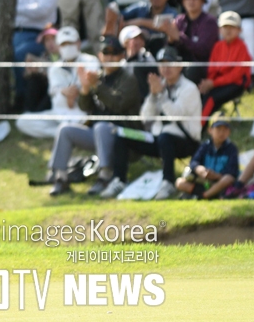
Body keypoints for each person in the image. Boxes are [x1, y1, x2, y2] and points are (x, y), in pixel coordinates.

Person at [48, 35, 142, 196]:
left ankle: (105, 175)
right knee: (65, 130)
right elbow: (85, 107)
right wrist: (85, 89)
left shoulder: (128, 78)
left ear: (122, 56)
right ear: (100, 56)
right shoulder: (97, 77)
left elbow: (118, 104)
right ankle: (60, 177)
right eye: (106, 52)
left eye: (115, 53)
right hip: (100, 136)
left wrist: (96, 86)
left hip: (127, 136)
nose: (110, 57)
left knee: (101, 127)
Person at [105, 46, 202, 200]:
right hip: (157, 139)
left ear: (180, 66)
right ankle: (119, 180)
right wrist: (152, 95)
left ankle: (168, 182)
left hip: (185, 141)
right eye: (162, 64)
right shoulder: (159, 85)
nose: (166, 68)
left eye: (170, 64)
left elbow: (175, 116)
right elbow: (145, 117)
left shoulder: (189, 89)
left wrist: (161, 95)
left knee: (165, 137)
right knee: (122, 134)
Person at [16, 26, 98, 139]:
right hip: (59, 115)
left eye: (70, 43)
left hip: (84, 114)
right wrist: (63, 92)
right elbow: (53, 92)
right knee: (23, 121)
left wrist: (74, 92)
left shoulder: (91, 61)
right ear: (59, 47)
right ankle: (66, 134)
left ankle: (71, 133)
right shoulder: (54, 68)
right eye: (63, 44)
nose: (67, 47)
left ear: (78, 43)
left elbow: (91, 88)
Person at [12, 0, 58, 108]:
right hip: (16, 34)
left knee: (19, 55)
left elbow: (43, 11)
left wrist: (17, 9)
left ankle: (22, 97)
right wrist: (27, 11)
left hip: (40, 36)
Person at [200, 11, 251, 120]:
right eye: (225, 26)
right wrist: (209, 82)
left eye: (232, 27)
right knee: (201, 94)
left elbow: (236, 75)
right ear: (220, 29)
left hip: (236, 84)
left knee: (211, 98)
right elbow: (212, 68)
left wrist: (213, 83)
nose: (228, 30)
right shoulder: (218, 46)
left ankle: (198, 128)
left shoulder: (242, 47)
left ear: (239, 30)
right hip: (217, 83)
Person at [165, 0, 218, 85]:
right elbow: (171, 48)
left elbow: (203, 50)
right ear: (182, 0)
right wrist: (170, 40)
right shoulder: (179, 20)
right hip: (178, 64)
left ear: (202, 0)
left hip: (201, 68)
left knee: (191, 70)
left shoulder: (209, 22)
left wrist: (179, 37)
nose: (191, 0)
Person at [106, 0, 177, 53]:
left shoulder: (173, 13)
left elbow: (167, 28)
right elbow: (119, 15)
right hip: (137, 51)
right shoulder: (140, 7)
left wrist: (140, 22)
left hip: (162, 52)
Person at [175, 116, 240, 200]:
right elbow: (194, 162)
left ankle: (203, 196)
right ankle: (212, 194)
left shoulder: (232, 148)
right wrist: (200, 169)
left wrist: (217, 176)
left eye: (225, 129)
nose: (221, 132)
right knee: (179, 182)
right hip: (205, 182)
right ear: (210, 130)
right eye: (218, 129)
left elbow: (233, 171)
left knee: (228, 179)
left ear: (229, 132)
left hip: (221, 182)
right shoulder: (205, 146)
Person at [119, 25, 157, 101]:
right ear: (125, 42)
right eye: (135, 38)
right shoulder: (120, 61)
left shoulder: (147, 56)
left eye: (141, 38)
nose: (139, 41)